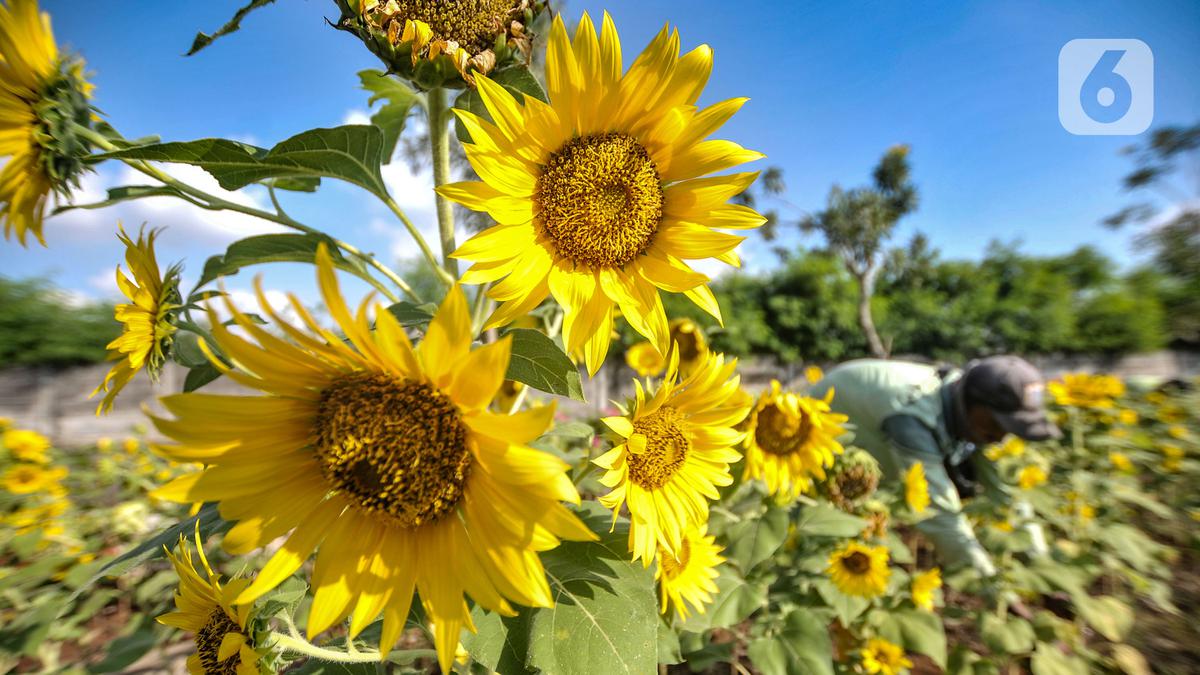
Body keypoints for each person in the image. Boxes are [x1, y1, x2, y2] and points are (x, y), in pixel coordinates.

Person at [808, 355, 1059, 577]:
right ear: (973, 405)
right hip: (812, 443)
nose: (1002, 436)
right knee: (823, 531)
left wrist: (1041, 563)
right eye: (997, 423)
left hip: (870, 431)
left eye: (1010, 428)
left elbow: (1006, 493)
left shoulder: (968, 404)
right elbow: (938, 511)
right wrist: (987, 583)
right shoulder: (912, 416)